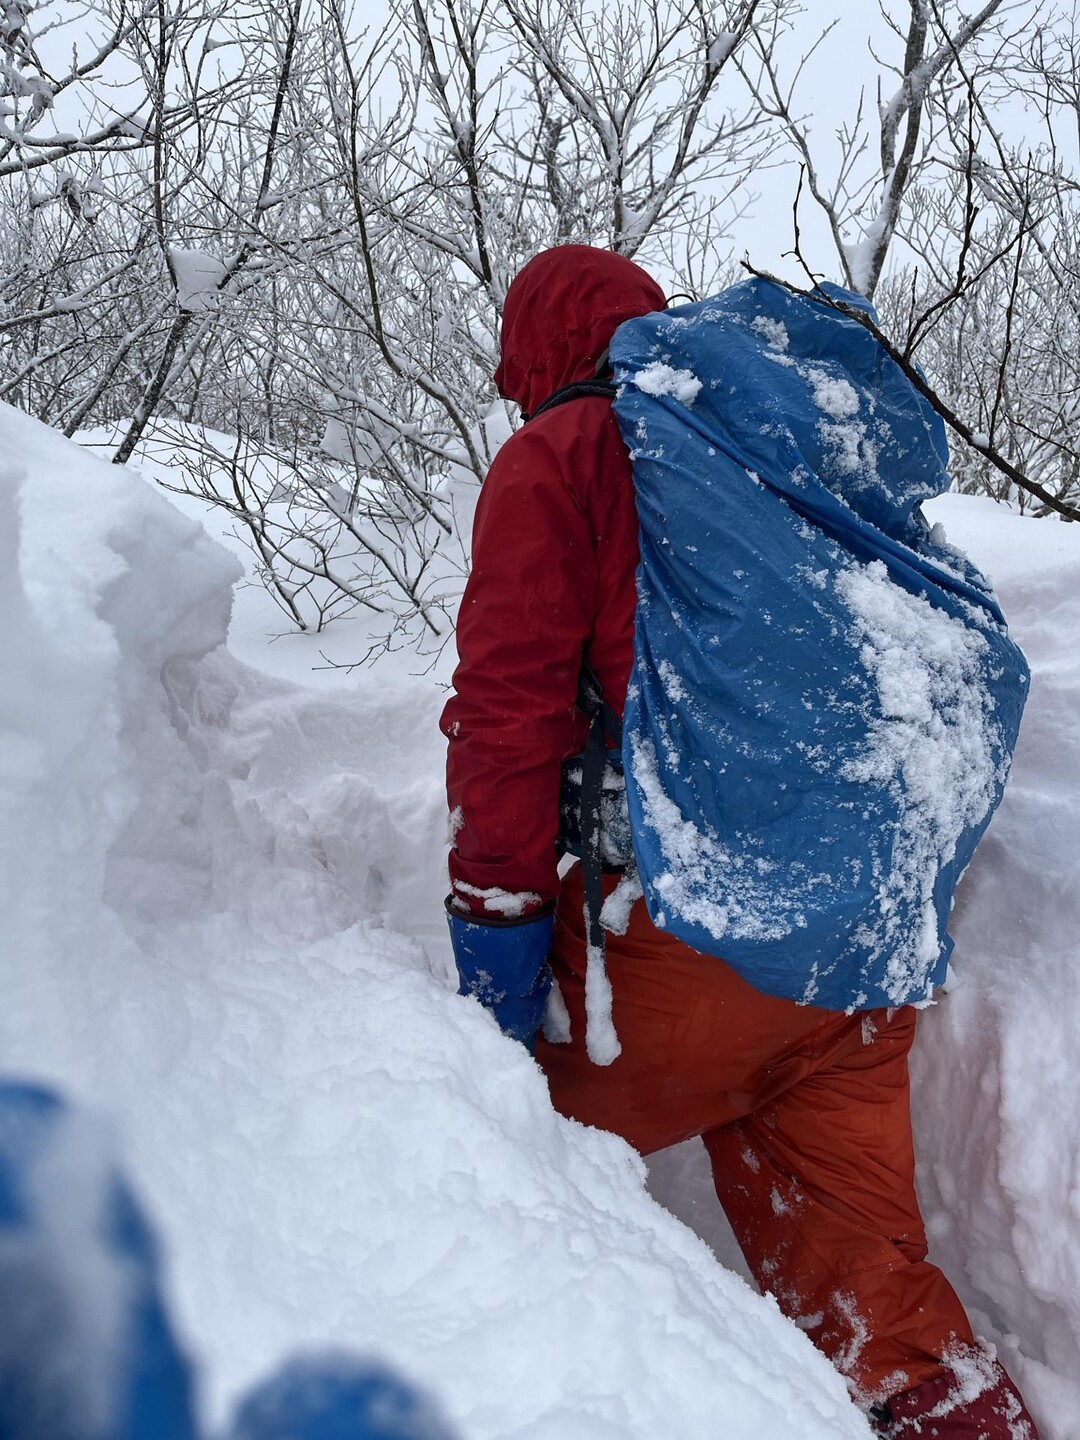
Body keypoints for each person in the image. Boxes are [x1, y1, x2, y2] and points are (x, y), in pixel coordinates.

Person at [441, 244, 1041, 1437]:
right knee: (882, 1308)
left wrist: (494, 945)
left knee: (471, 1189)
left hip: (684, 949)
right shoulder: (770, 453)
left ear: (537, 348)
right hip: (855, 960)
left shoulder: (563, 452)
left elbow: (509, 717)